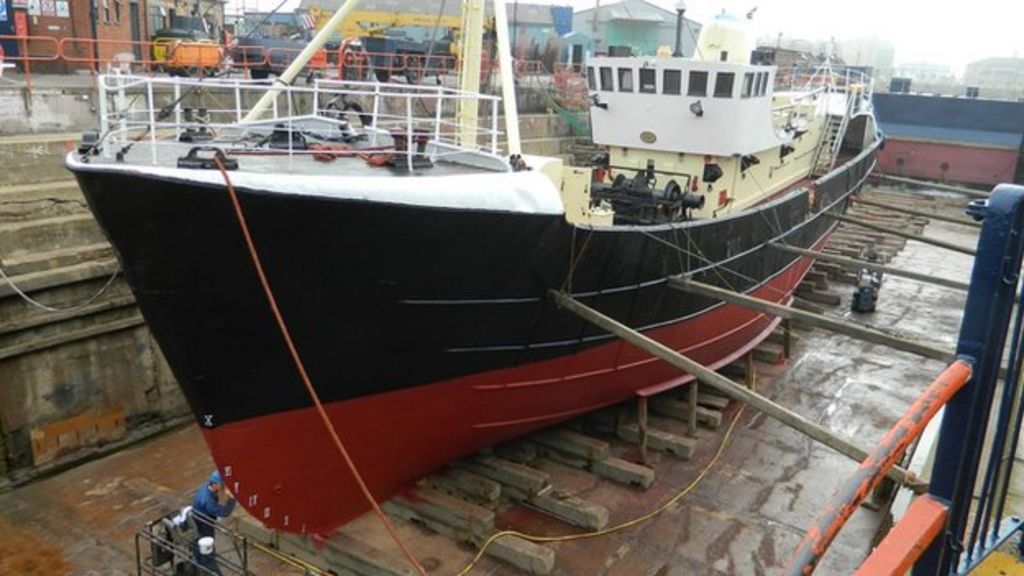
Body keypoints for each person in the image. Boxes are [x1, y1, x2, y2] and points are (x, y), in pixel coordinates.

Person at [190, 470, 236, 574]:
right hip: (204, 526)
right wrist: (231, 499)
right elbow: (223, 512)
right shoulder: (207, 499)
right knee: (207, 553)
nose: (223, 487)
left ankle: (200, 564)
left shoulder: (205, 489)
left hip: (198, 521)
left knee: (198, 548)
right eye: (222, 484)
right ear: (216, 484)